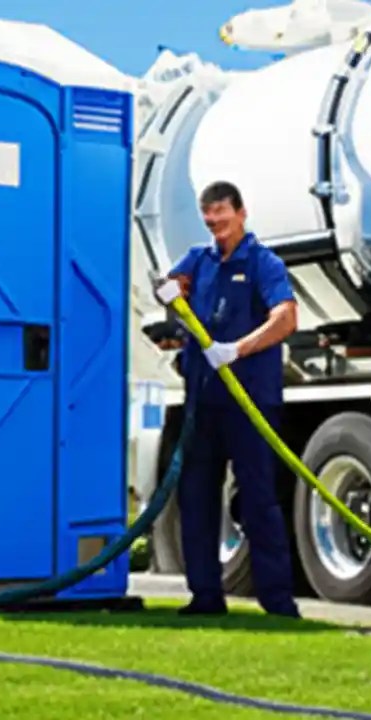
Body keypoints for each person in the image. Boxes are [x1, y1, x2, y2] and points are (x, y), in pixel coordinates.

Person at [154, 180, 301, 618]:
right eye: (208, 215)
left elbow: (286, 317)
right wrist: (173, 315)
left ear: (241, 212)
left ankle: (277, 603)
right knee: (197, 500)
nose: (215, 222)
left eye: (222, 213)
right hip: (203, 401)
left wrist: (237, 349)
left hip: (250, 401)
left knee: (258, 501)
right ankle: (205, 597)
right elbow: (171, 286)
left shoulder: (263, 263)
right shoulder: (199, 261)